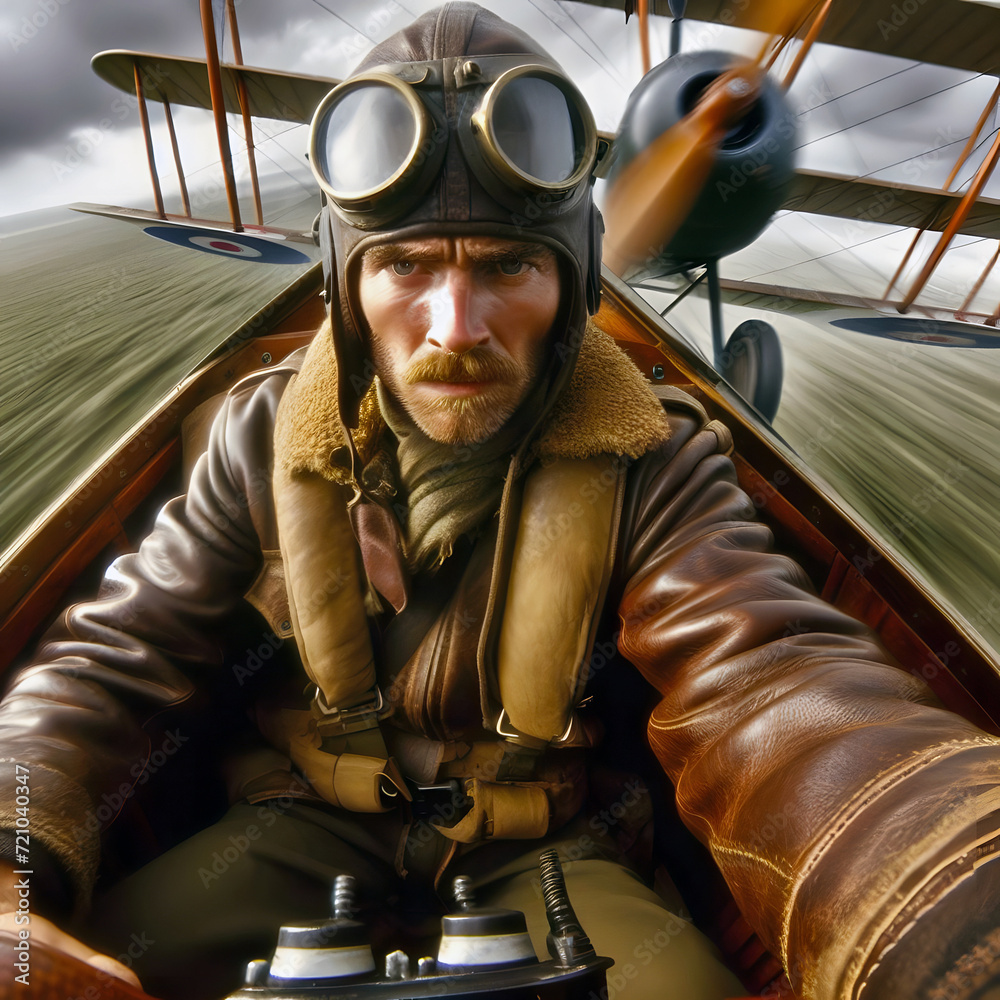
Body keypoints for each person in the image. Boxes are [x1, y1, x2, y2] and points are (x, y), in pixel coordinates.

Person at [2, 4, 999, 999]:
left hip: (546, 842)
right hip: (297, 818)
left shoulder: (653, 454)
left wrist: (939, 899)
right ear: (346, 284)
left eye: (508, 264)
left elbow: (772, 680)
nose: (456, 326)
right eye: (404, 264)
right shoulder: (258, 434)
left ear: (572, 284)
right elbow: (109, 661)